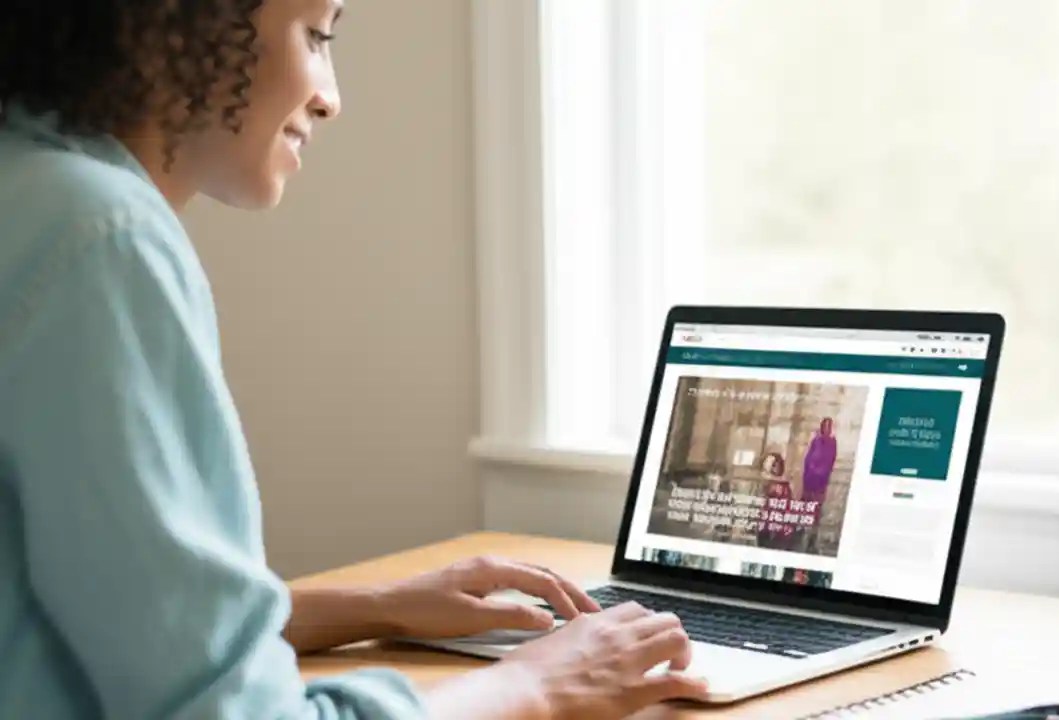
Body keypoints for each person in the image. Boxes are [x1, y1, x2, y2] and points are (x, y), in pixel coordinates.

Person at [0, 2, 705, 718]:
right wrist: (539, 684)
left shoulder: (29, 192)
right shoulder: (98, 237)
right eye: (315, 35)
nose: (329, 98)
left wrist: (375, 607)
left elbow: (90, 615)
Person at [801, 417, 838, 551]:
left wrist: (819, 472)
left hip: (820, 482)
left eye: (828, 426)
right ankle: (802, 531)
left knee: (816, 509)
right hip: (809, 480)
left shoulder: (832, 442)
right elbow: (808, 458)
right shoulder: (816, 440)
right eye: (824, 426)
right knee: (806, 506)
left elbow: (830, 461)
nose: (826, 429)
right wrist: (809, 471)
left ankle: (812, 538)